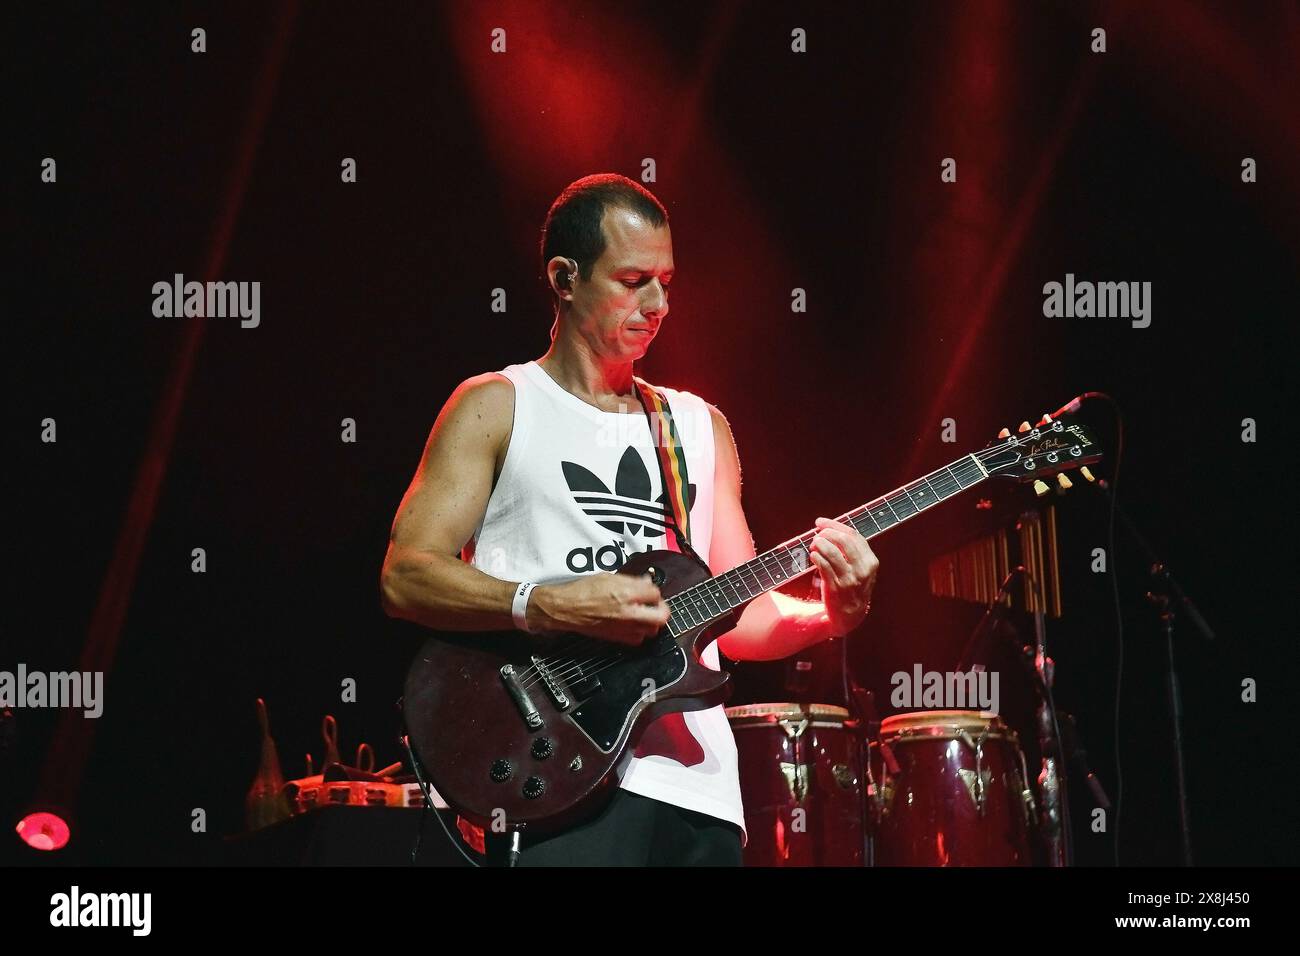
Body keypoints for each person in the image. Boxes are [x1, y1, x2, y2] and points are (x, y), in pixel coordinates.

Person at [380, 173, 879, 865]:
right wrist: (553, 606)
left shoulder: (699, 427)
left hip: (699, 794)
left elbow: (742, 621)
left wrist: (831, 614)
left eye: (667, 282)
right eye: (633, 279)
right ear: (564, 277)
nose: (658, 304)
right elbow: (406, 577)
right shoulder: (497, 404)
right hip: (551, 775)